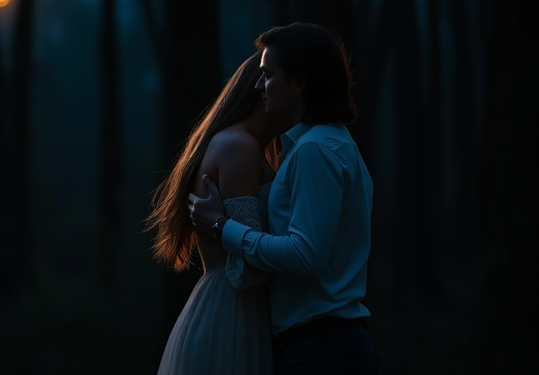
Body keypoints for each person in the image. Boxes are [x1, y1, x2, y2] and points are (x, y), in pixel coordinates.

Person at [189, 22, 378, 375]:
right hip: (324, 344)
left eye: (269, 75)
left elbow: (305, 255)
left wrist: (221, 226)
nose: (258, 85)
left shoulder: (315, 151)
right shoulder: (331, 145)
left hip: (322, 348)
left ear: (301, 81)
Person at [144, 49, 283, 375]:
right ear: (260, 89)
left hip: (224, 307)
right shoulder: (241, 147)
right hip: (234, 313)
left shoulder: (235, 143)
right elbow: (248, 269)